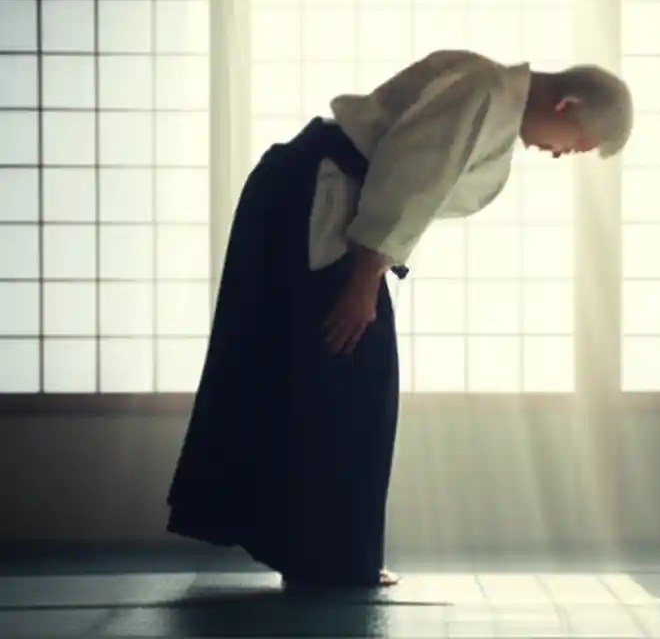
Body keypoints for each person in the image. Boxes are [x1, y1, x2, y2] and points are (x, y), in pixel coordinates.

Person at [167, 50, 633, 588]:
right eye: (576, 143)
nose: (560, 154)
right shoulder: (484, 90)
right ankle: (327, 559)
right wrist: (364, 281)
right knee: (352, 374)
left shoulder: (492, 99)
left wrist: (372, 271)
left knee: (325, 370)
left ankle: (318, 554)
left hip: (321, 202)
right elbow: (410, 177)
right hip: (314, 198)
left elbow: (412, 183)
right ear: (567, 105)